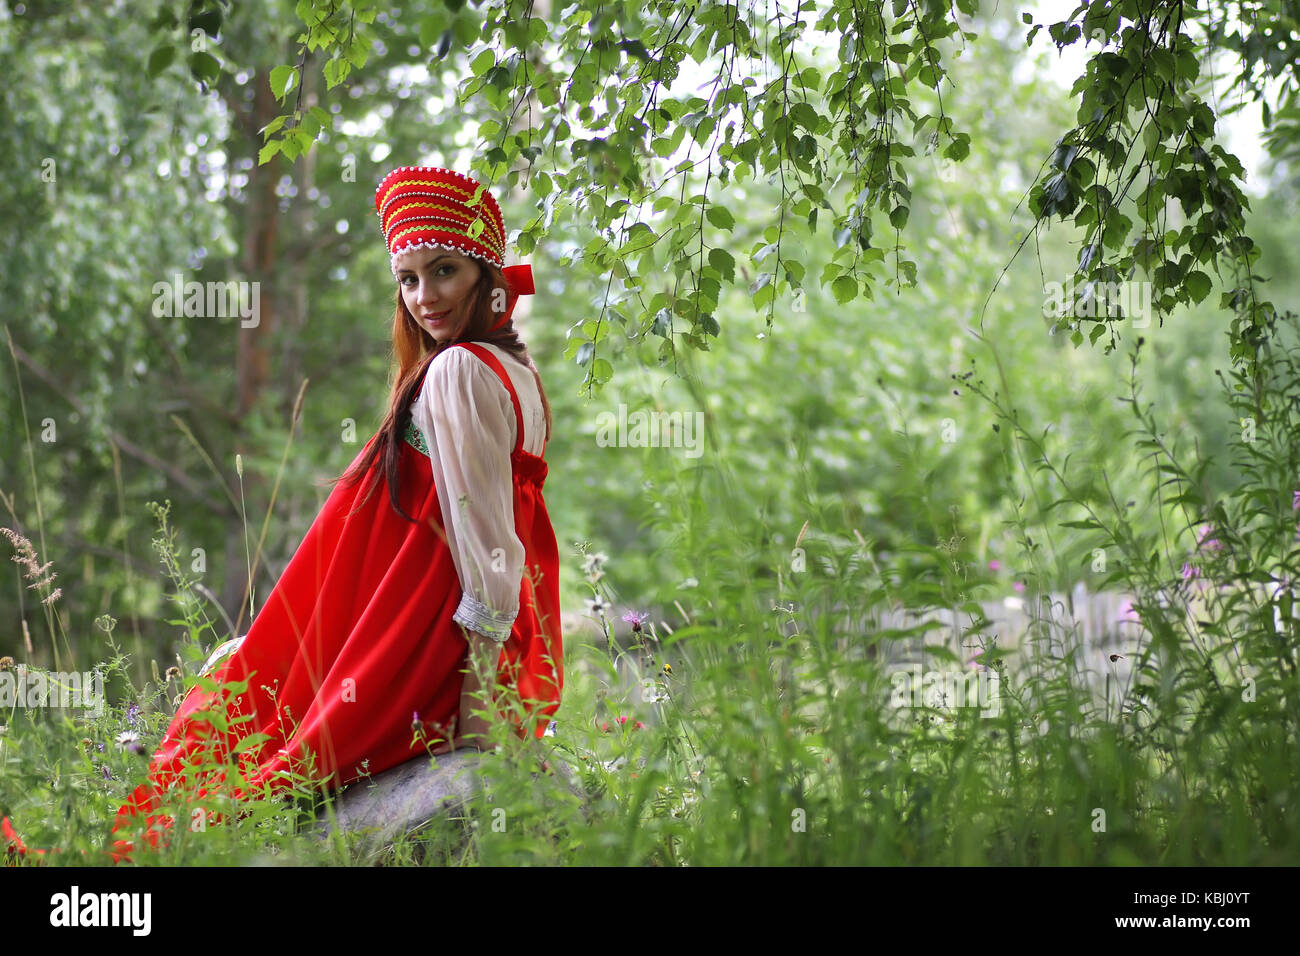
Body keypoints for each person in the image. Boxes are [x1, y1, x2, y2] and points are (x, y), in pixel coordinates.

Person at [2, 165, 564, 863]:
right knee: (233, 689)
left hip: (415, 641)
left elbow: (492, 548)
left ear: (485, 271)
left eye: (443, 270)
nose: (425, 297)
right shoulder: (515, 370)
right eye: (409, 278)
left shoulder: (458, 371)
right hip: (398, 626)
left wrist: (480, 707)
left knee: (237, 732)